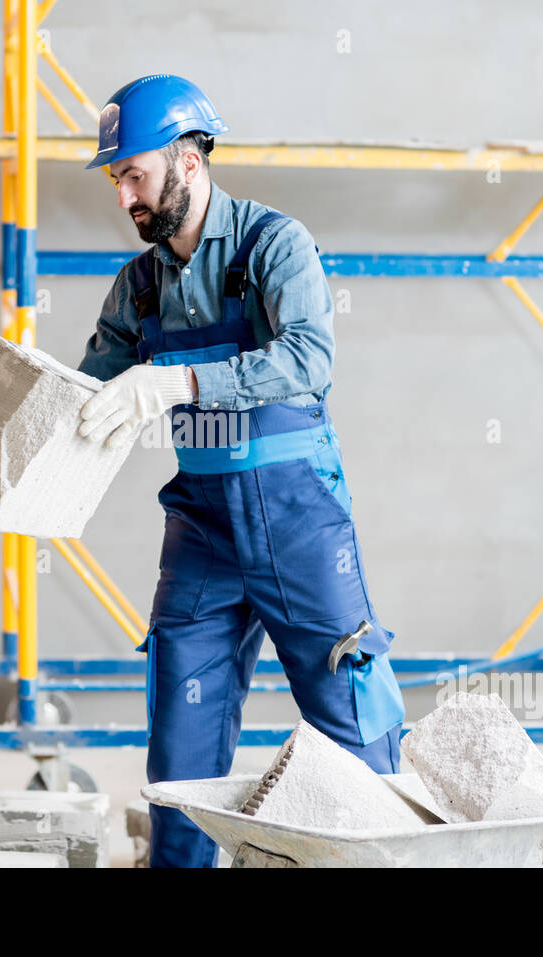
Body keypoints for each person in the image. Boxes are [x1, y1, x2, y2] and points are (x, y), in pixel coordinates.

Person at [74, 74, 404, 868]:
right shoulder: (140, 286)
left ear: (188, 161)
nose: (125, 197)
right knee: (180, 752)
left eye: (135, 174)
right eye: (118, 178)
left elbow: (308, 360)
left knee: (351, 720)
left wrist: (179, 381)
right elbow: (85, 397)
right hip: (202, 528)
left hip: (297, 518)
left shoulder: (274, 245)